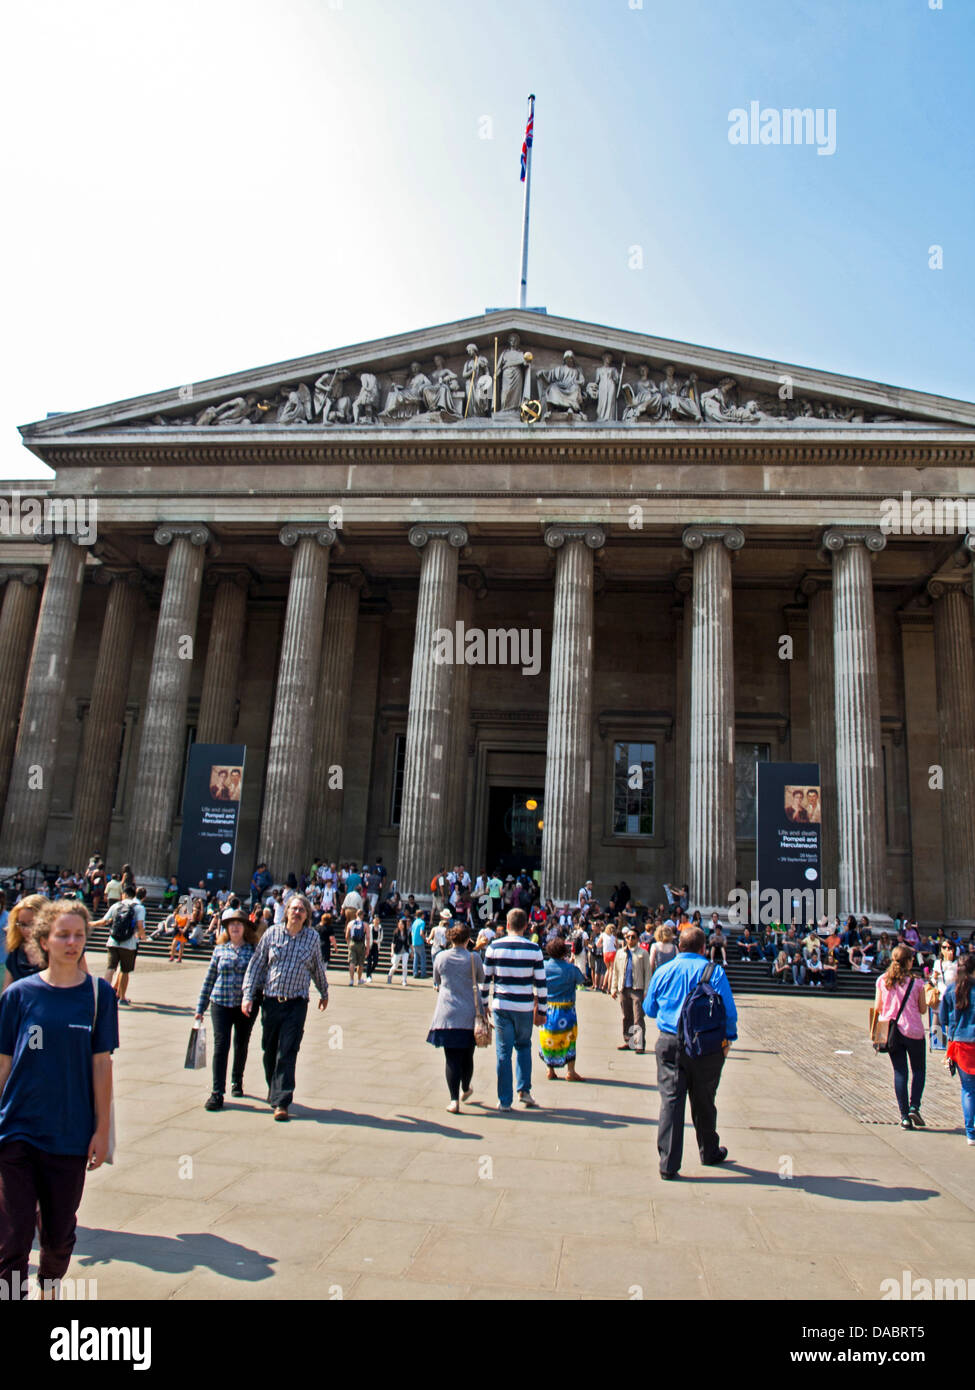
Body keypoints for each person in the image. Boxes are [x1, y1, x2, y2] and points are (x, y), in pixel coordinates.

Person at [0, 899, 117, 1299]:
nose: (72, 942)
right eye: (63, 935)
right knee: (11, 1237)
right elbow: (2, 1064)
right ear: (44, 940)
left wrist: (102, 1131)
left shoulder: (99, 996)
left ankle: (49, 1289)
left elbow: (101, 1066)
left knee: (58, 1234)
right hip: (16, 1129)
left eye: (79, 935)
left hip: (69, 1132)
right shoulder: (18, 995)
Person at [643, 926, 737, 1179]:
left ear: (679, 947)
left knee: (671, 1102)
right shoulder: (714, 972)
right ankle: (709, 1152)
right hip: (705, 1046)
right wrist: (728, 1041)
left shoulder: (664, 971)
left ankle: (668, 1164)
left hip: (670, 1043)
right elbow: (728, 1011)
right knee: (705, 1100)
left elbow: (649, 1008)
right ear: (704, 948)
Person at [242, 893, 328, 1122]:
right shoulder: (271, 934)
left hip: (297, 1003)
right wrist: (248, 994)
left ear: (307, 915)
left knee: (288, 1050)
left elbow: (317, 968)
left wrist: (324, 992)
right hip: (271, 1000)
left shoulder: (311, 939)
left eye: (302, 910)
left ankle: (282, 1101)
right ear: (286, 911)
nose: (297, 913)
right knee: (269, 1050)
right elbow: (257, 965)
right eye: (294, 909)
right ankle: (275, 1087)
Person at [483, 908, 547, 1111]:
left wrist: (483, 1004)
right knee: (524, 1046)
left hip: (501, 1005)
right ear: (526, 926)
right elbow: (541, 983)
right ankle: (524, 1091)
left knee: (503, 1053)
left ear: (507, 925)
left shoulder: (494, 947)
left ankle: (504, 1101)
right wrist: (543, 1011)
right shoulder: (534, 949)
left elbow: (485, 980)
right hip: (525, 1007)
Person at [195, 909, 258, 1111]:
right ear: (227, 928)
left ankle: (236, 1080)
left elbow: (258, 978)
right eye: (232, 924)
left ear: (245, 928)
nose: (235, 927)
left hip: (244, 1005)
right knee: (221, 1045)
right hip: (220, 1002)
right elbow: (209, 979)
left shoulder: (253, 951)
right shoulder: (219, 950)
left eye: (239, 923)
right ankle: (217, 1092)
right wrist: (200, 1007)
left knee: (241, 1043)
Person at [427, 923, 487, 1113]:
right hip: (470, 1013)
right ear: (468, 939)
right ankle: (466, 1087)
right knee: (468, 1056)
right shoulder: (474, 958)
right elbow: (481, 978)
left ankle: (454, 1100)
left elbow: (436, 980)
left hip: (447, 1014)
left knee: (451, 1059)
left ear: (450, 938)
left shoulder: (440, 957)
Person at [874, 944, 927, 1129]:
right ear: (909, 962)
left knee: (900, 1072)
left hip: (891, 1032)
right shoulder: (917, 983)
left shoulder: (882, 980)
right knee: (919, 1070)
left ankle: (904, 1116)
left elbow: (878, 1007)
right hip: (913, 1031)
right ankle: (915, 1105)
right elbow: (922, 1009)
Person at [938, 954, 975, 1145]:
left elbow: (943, 1019)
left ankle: (970, 1133)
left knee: (968, 1089)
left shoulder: (951, 989)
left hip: (960, 1043)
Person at [540, 938, 586, 1081]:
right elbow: (581, 980)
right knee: (569, 1040)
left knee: (548, 1039)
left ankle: (550, 1069)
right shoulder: (571, 969)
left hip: (548, 1008)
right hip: (566, 1010)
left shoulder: (544, 967)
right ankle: (571, 1071)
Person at [91, 887, 146, 1004]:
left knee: (110, 968)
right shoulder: (139, 908)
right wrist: (143, 936)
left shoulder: (116, 906)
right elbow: (140, 925)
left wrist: (89, 923)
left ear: (124, 895)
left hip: (113, 941)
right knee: (125, 971)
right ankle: (122, 997)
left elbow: (104, 921)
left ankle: (104, 996)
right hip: (129, 944)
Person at [611, 926, 653, 1052]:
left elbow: (648, 973)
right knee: (626, 1016)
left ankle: (639, 1044)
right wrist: (613, 988)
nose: (630, 939)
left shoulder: (643, 953)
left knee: (638, 1017)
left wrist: (646, 990)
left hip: (637, 988)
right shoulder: (620, 953)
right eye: (628, 937)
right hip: (624, 988)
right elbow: (616, 971)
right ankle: (629, 1041)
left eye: (633, 937)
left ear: (637, 939)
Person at [3, 896, 49, 992]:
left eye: (32, 923)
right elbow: (6, 994)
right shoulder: (15, 953)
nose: (27, 930)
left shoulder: (59, 950)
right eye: (22, 924)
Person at [345, 909, 370, 987]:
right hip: (361, 944)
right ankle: (359, 979)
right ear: (362, 915)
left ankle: (351, 980)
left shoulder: (350, 923)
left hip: (352, 943)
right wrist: (368, 948)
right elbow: (368, 937)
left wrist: (349, 944)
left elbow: (346, 936)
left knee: (352, 962)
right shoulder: (365, 924)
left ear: (356, 914)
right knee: (360, 963)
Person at [387, 918, 411, 986]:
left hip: (405, 950)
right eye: (399, 924)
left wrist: (412, 951)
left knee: (404, 966)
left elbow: (410, 942)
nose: (400, 925)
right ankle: (390, 975)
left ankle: (404, 980)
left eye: (402, 924)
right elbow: (393, 942)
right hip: (397, 950)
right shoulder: (396, 932)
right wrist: (392, 951)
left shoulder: (407, 932)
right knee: (395, 966)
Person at [410, 915, 428, 980]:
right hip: (420, 941)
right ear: (422, 915)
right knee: (423, 957)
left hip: (414, 941)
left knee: (416, 958)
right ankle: (423, 973)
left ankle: (415, 973)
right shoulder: (422, 922)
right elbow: (421, 933)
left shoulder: (414, 922)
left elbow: (412, 933)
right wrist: (425, 939)